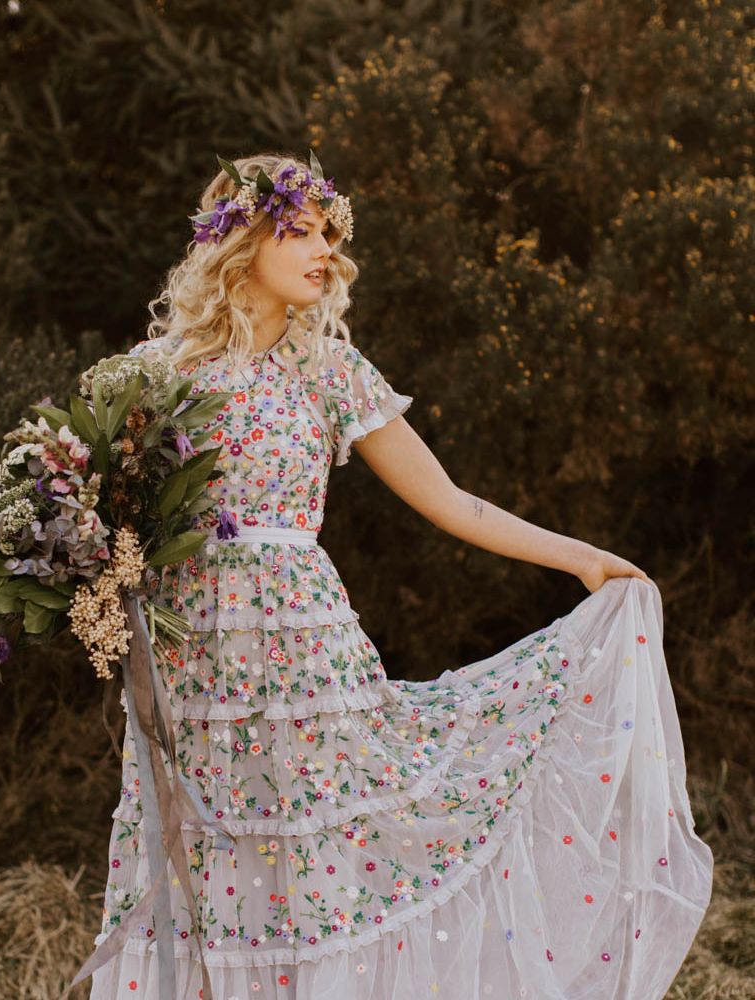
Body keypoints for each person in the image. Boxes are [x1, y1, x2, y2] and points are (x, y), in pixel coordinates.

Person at [84, 152, 713, 999]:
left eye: (330, 236)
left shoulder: (329, 370)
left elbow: (451, 501)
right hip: (189, 656)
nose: (326, 253)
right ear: (242, 238)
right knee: (199, 857)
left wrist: (583, 558)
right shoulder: (156, 372)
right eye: (302, 232)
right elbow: (106, 517)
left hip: (304, 660)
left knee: (315, 865)